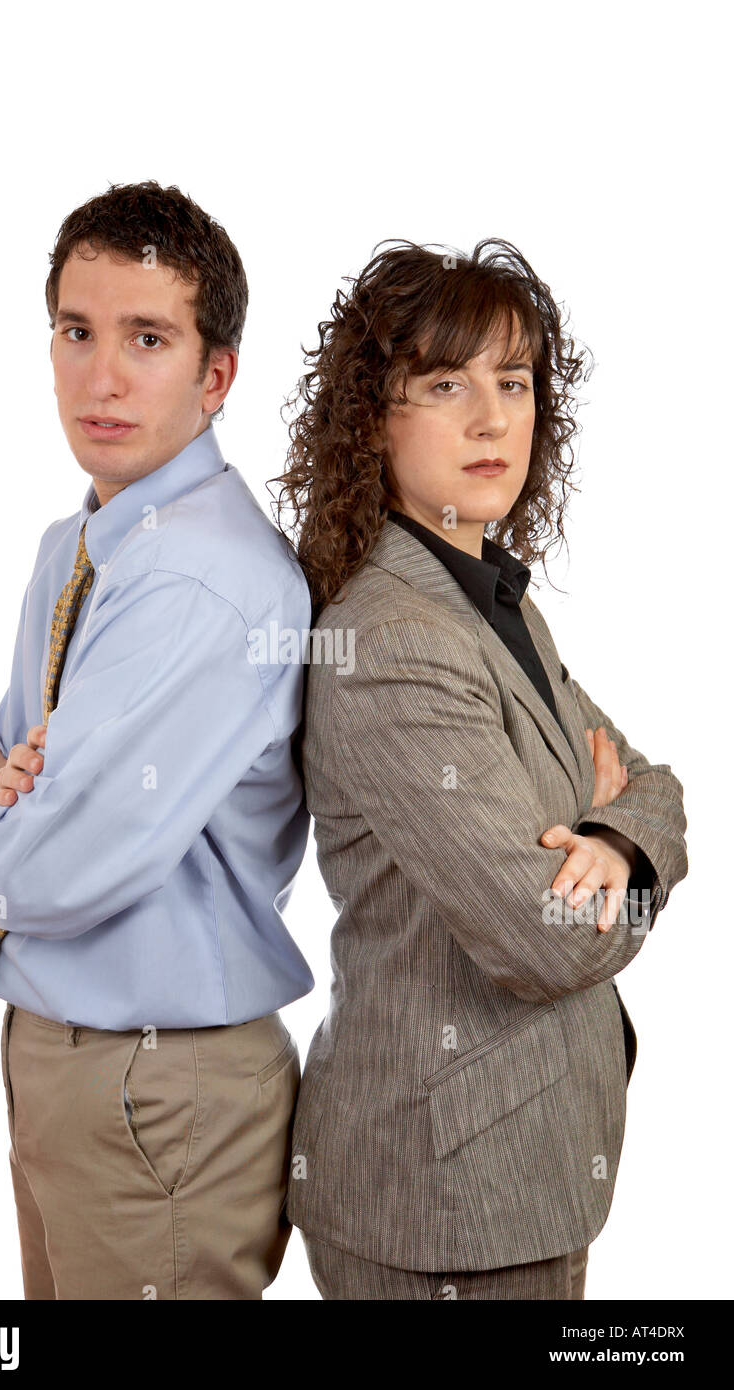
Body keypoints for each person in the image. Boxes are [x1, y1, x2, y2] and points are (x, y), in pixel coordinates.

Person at [273, 238, 688, 1300]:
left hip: (516, 1172)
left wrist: (612, 833)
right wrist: (629, 863)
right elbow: (536, 936)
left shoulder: (482, 595)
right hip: (439, 1201)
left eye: (512, 382)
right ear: (372, 417)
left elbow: (651, 781)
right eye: (444, 383)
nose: (492, 416)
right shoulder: (395, 636)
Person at [0, 181, 314, 1300]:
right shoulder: (82, 542)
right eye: (76, 331)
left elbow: (36, 863)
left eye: (147, 338)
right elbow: (19, 779)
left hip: (159, 1088)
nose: (101, 376)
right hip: (64, 1056)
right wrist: (8, 792)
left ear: (215, 375)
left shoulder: (203, 577)